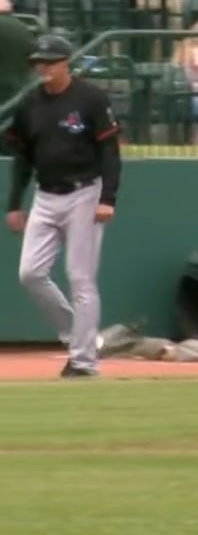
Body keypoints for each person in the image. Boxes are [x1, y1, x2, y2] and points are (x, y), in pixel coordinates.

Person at [4, 35, 122, 379]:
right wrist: (14, 203)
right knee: (30, 274)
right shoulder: (30, 105)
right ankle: (78, 334)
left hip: (84, 193)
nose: (42, 67)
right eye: (38, 62)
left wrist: (108, 198)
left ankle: (83, 362)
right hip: (46, 195)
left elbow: (110, 151)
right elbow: (22, 158)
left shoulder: (90, 98)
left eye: (49, 61)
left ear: (65, 63)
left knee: (80, 278)